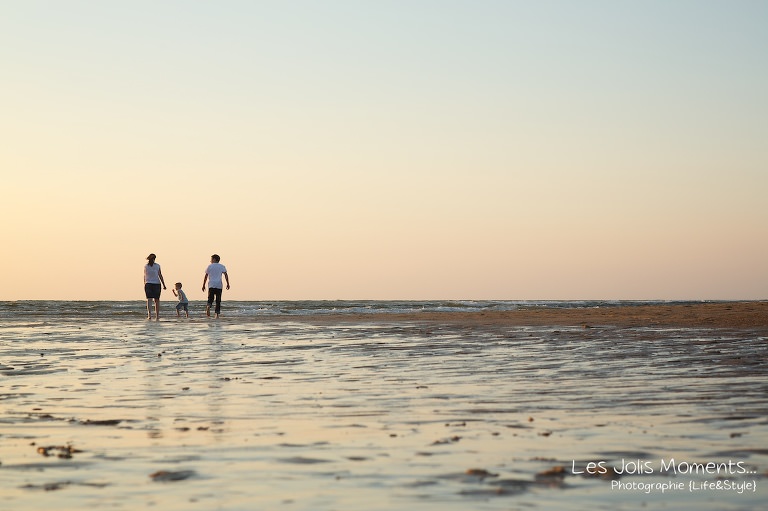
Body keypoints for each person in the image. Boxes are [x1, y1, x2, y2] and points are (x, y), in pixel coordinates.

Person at [202, 254, 230, 318]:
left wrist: (203, 285)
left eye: (211, 259)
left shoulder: (210, 266)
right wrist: (228, 283)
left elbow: (206, 276)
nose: (210, 261)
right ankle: (216, 314)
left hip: (211, 284)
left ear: (214, 259)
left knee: (210, 298)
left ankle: (208, 306)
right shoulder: (222, 266)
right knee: (218, 300)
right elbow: (226, 275)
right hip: (219, 285)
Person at [144, 253, 166, 320]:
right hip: (155, 283)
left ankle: (150, 315)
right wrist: (164, 284)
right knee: (156, 300)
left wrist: (144, 284)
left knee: (149, 300)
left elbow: (145, 276)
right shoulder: (155, 266)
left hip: (149, 283)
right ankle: (156, 315)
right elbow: (160, 275)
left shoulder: (146, 266)